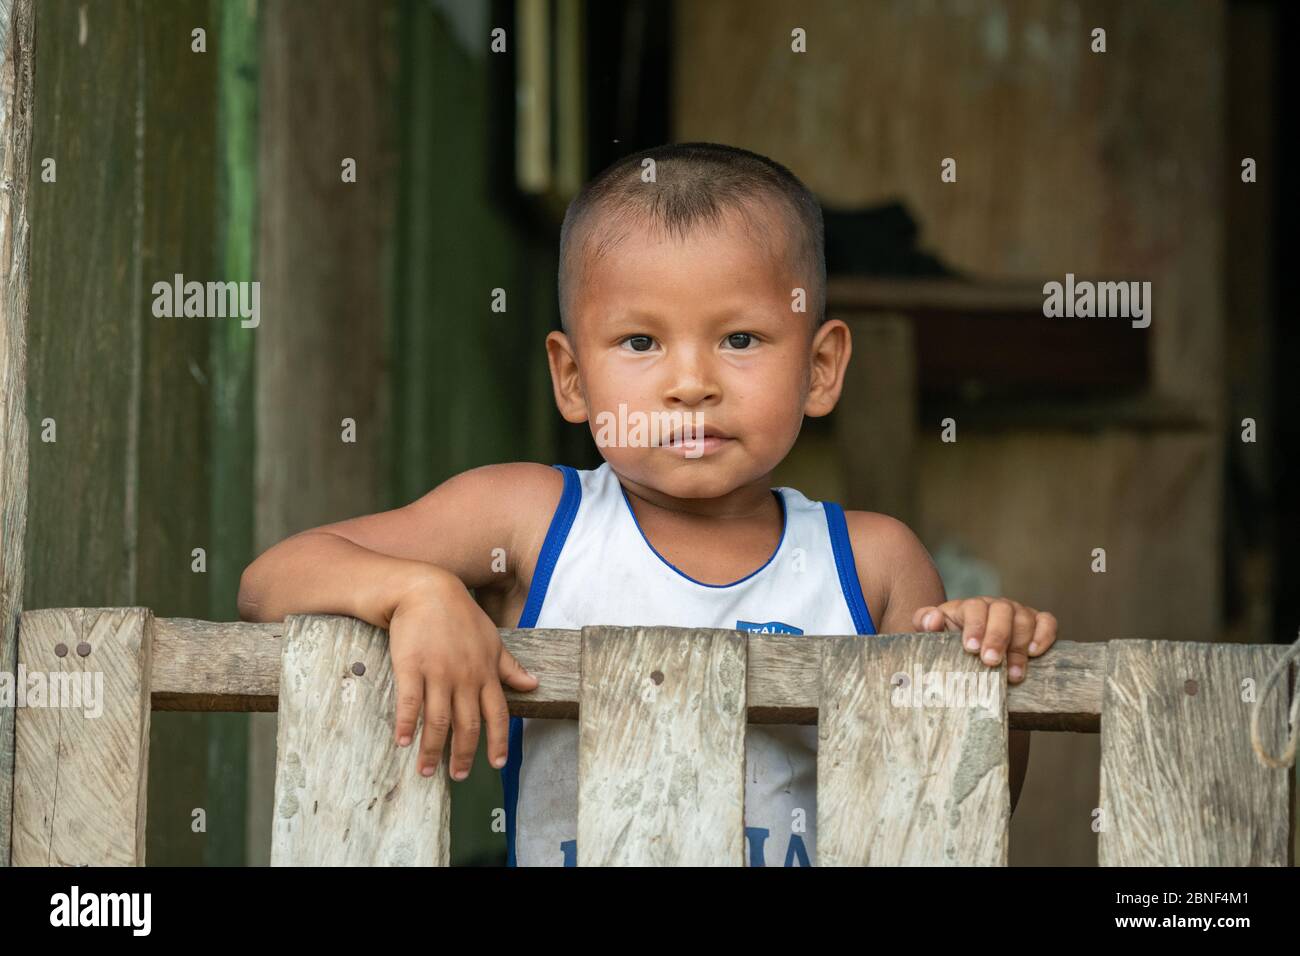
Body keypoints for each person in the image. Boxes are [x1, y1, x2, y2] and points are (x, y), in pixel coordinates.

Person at [238, 142, 1057, 866]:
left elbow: (968, 802)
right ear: (571, 378)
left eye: (740, 339)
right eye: (640, 342)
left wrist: (990, 665)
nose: (690, 382)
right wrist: (416, 592)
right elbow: (274, 578)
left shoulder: (871, 563)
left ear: (820, 369)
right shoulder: (530, 520)